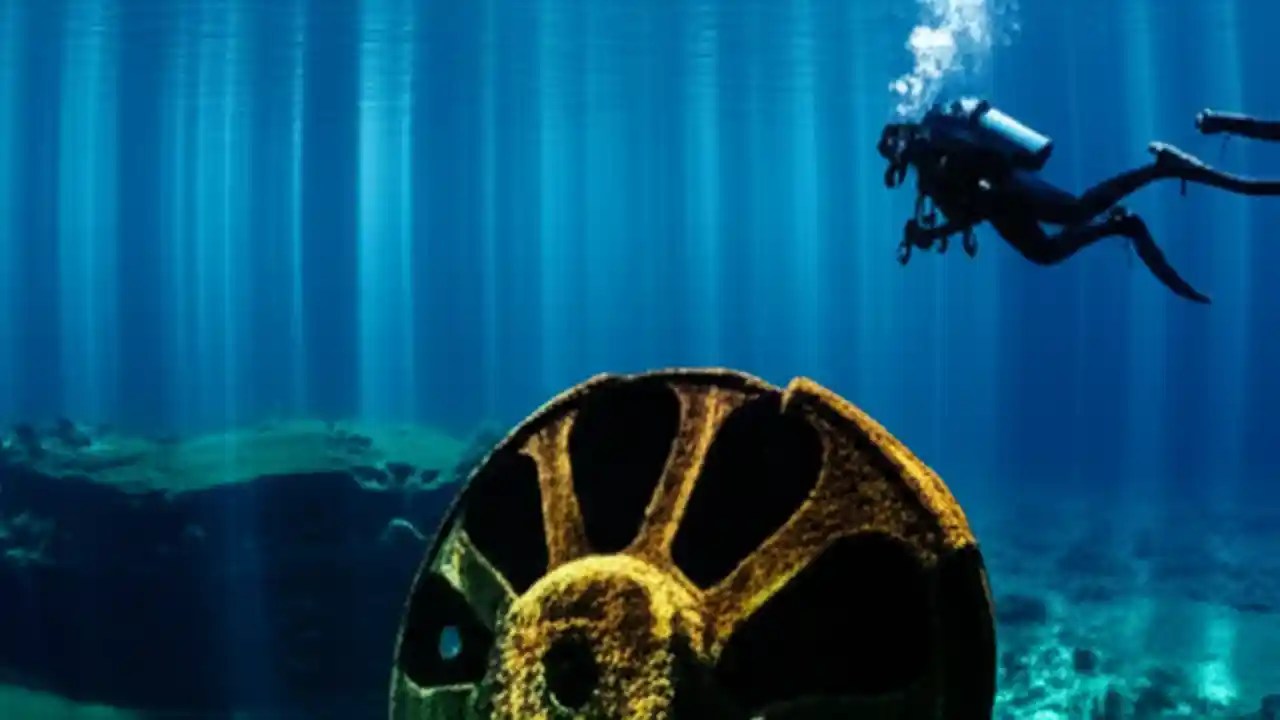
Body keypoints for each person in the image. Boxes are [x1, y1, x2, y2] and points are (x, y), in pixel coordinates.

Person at [880, 99, 1280, 303]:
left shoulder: (941, 145)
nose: (898, 155)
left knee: (1076, 212)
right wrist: (932, 234)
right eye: (893, 153)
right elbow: (966, 213)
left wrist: (941, 226)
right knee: (1047, 252)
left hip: (1011, 190)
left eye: (895, 147)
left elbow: (984, 175)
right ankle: (1121, 224)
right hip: (1000, 208)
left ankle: (1159, 168)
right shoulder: (928, 178)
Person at [1197, 108, 1280, 141]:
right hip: (1248, 127)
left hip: (1248, 126)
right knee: (1264, 130)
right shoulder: (1212, 119)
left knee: (1264, 130)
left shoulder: (1213, 118)